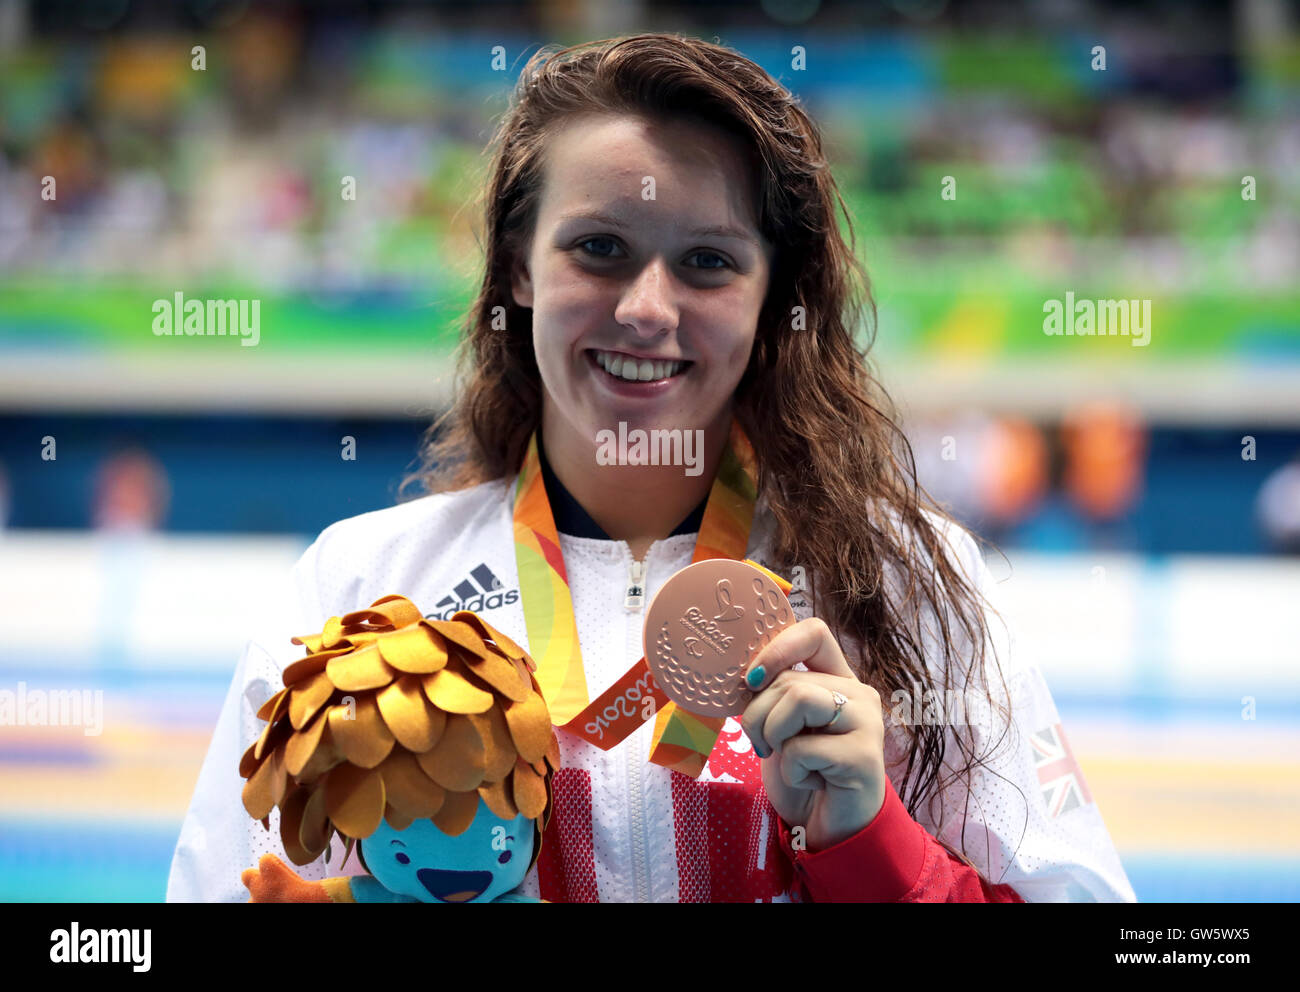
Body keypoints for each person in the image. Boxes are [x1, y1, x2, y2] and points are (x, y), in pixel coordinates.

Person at [167, 34, 1135, 902]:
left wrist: (869, 844)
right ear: (517, 267)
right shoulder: (361, 594)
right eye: (600, 248)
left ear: (772, 296)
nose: (645, 309)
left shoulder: (909, 584)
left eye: (708, 261)